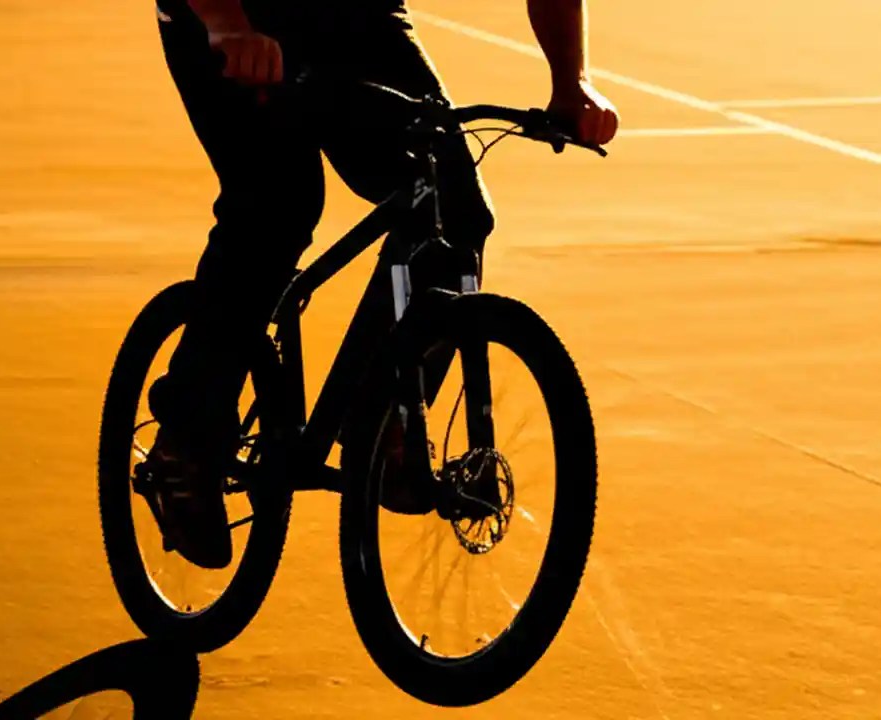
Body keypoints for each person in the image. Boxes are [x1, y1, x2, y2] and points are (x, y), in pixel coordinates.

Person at [146, 0, 619, 569]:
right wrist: (228, 27)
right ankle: (186, 440)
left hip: (359, 18)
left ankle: (383, 422)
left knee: (454, 208)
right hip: (227, 16)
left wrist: (571, 82)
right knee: (277, 203)